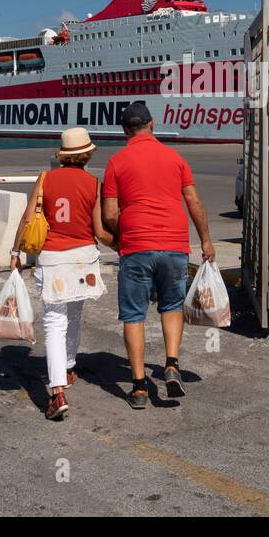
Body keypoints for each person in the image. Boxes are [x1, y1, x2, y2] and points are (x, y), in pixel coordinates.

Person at [102, 101, 215, 409]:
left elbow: (110, 213)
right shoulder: (175, 158)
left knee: (133, 315)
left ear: (125, 130)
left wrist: (126, 231)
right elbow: (193, 201)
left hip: (137, 246)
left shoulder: (116, 162)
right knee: (172, 306)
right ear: (152, 124)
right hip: (175, 245)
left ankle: (139, 387)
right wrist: (206, 241)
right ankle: (172, 365)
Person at [10, 128, 114, 421]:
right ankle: (68, 368)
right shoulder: (94, 183)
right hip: (84, 259)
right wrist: (121, 244)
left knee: (54, 323)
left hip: (53, 258)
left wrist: (16, 252)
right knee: (74, 315)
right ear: (87, 154)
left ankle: (57, 393)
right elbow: (98, 230)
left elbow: (29, 217)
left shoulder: (46, 178)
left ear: (63, 154)